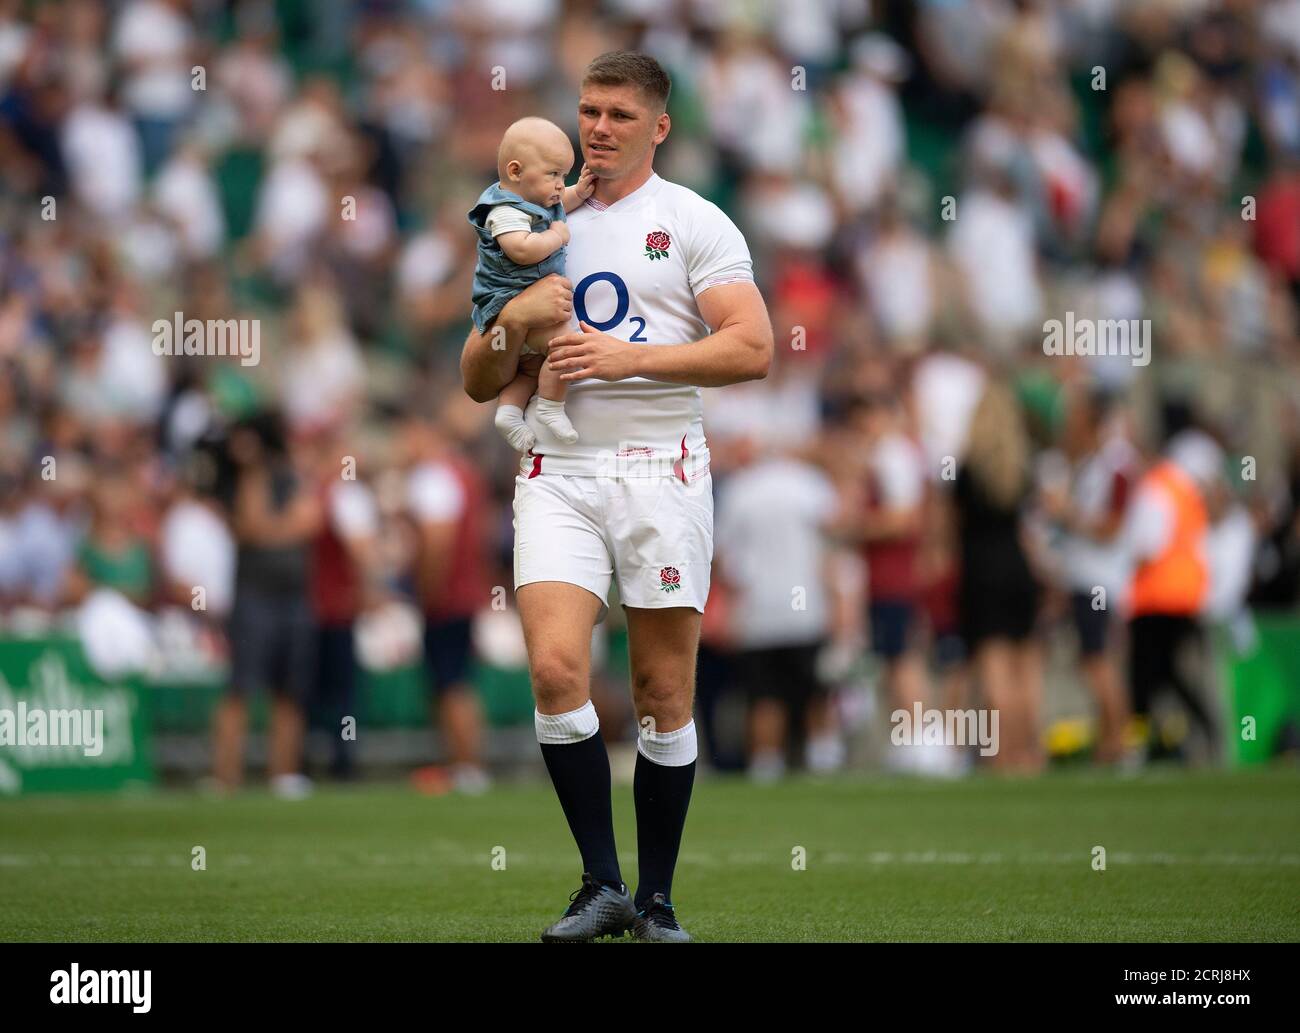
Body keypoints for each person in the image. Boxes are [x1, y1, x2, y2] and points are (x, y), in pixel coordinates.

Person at [459, 51, 773, 941]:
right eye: (589, 111)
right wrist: (509, 327)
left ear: (659, 127)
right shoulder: (527, 216)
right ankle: (601, 883)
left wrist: (632, 356)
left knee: (661, 690)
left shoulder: (693, 221)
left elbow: (751, 348)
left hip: (658, 467)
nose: (597, 129)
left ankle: (659, 898)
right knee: (557, 671)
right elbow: (479, 377)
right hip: (558, 467)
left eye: (619, 116)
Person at [468, 117, 595, 450]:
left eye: (564, 176)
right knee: (567, 345)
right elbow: (522, 249)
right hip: (507, 298)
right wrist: (556, 237)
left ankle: (509, 412)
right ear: (515, 171)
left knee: (530, 367)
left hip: (523, 306)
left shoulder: (537, 201)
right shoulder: (504, 210)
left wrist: (578, 193)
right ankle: (552, 407)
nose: (559, 186)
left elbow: (556, 208)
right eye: (553, 175)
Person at [953, 382, 1044, 773]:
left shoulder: (967, 471)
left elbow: (949, 531)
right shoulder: (1023, 469)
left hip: (982, 573)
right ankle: (1030, 753)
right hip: (1019, 571)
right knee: (1026, 669)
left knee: (995, 671)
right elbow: (1030, 530)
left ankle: (1003, 755)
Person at [1122, 429, 1221, 762]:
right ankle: (1203, 733)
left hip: (1154, 600)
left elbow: (1145, 545)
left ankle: (1140, 747)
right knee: (1172, 675)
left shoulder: (1158, 487)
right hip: (1185, 600)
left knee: (1144, 679)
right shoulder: (1188, 496)